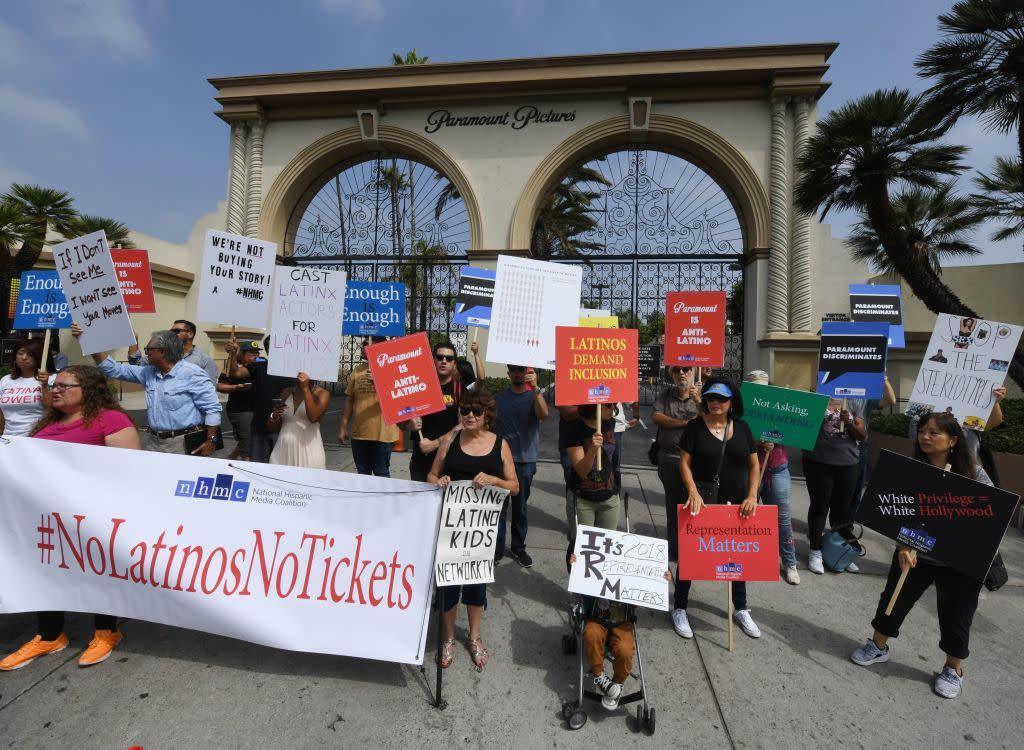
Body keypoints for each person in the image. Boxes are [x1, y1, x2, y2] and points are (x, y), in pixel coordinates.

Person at [0, 366, 139, 671]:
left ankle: (106, 631)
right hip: (46, 515)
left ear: (87, 389)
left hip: (93, 515)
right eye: (54, 385)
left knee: (98, 572)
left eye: (64, 385)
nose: (56, 390)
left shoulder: (111, 420)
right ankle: (50, 635)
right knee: (44, 574)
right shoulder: (47, 423)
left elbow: (129, 472)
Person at [850, 412, 994, 699]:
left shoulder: (975, 474)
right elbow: (895, 512)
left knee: (957, 615)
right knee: (892, 602)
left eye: (934, 433)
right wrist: (903, 546)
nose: (925, 437)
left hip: (959, 562)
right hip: (915, 555)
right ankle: (878, 646)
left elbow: (990, 515)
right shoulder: (911, 470)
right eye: (922, 432)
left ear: (953, 440)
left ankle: (954, 669)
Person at [428, 388, 519, 670]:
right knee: (449, 584)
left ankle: (475, 637)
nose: (468, 415)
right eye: (464, 410)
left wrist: (494, 479)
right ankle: (449, 637)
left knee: (476, 585)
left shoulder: (500, 444)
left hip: (482, 531)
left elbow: (514, 487)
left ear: (486, 415)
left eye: (475, 411)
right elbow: (430, 475)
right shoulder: (450, 439)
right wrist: (439, 480)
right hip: (451, 528)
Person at [675, 379, 761, 640]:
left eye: (721, 399)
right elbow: (684, 463)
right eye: (711, 397)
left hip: (736, 503)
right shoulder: (694, 427)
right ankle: (679, 606)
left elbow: (754, 465)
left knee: (736, 556)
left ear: (731, 402)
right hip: (701, 501)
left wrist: (751, 495)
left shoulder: (743, 428)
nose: (715, 403)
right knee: (691, 554)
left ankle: (741, 608)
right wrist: (692, 491)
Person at [73, 324, 221, 456]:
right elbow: (113, 369)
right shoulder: (148, 372)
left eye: (149, 349)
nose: (146, 353)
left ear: (162, 352)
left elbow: (212, 409)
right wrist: (87, 340)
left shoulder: (192, 373)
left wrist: (211, 440)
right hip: (154, 442)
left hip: (182, 444)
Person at [744, 370, 799, 585]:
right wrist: (757, 442)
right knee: (747, 515)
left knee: (783, 519)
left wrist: (777, 436)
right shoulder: (740, 410)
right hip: (750, 470)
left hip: (776, 469)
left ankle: (789, 563)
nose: (761, 390)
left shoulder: (779, 406)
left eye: (764, 386)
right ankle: (750, 559)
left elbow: (795, 432)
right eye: (756, 386)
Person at [802, 394, 866, 575]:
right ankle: (815, 551)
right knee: (819, 508)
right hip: (818, 463)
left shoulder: (853, 401)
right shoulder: (815, 399)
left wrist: (850, 423)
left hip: (848, 464)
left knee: (842, 511)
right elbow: (801, 429)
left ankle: (841, 550)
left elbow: (862, 435)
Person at [493, 364, 549, 567]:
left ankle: (518, 548)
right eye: (513, 370)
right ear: (508, 374)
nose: (518, 373)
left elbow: (544, 415)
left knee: (520, 507)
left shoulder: (534, 396)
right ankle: (497, 550)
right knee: (499, 507)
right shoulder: (499, 399)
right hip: (502, 461)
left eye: (521, 369)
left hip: (526, 460)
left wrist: (536, 389)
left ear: (527, 373)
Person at [652, 365, 701, 572]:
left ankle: (692, 547)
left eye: (687, 369)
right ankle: (674, 548)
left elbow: (709, 420)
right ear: (672, 374)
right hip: (670, 458)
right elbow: (657, 417)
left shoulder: (702, 395)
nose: (682, 373)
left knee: (694, 504)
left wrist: (699, 401)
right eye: (677, 370)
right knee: (673, 505)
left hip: (695, 461)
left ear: (692, 372)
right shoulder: (665, 394)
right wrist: (686, 422)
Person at [564, 403, 621, 553]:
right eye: (608, 406)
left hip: (610, 499)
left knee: (606, 551)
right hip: (583, 500)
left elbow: (613, 459)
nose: (613, 409)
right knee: (581, 551)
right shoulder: (573, 429)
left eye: (614, 405)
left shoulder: (610, 423)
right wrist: (593, 449)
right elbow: (582, 471)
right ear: (594, 406)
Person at [339, 336, 399, 477]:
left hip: (383, 435)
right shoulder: (358, 371)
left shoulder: (393, 369)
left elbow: (397, 397)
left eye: (368, 343)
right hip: (359, 435)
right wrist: (343, 427)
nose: (363, 346)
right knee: (362, 475)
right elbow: (349, 400)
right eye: (364, 343)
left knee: (381, 474)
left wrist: (380, 383)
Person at [225, 334, 289, 463]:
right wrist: (233, 354)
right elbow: (236, 374)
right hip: (260, 425)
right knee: (258, 464)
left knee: (282, 465)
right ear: (269, 350)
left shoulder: (294, 369)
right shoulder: (259, 366)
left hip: (287, 427)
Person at [404, 340, 462, 482]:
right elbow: (401, 421)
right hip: (420, 461)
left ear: (454, 363)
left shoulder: (460, 390)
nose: (444, 361)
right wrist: (408, 425)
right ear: (433, 359)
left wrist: (435, 444)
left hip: (447, 462)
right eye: (439, 357)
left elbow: (463, 426)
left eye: (449, 359)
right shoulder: (417, 386)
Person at [847, 374, 897, 522]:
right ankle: (823, 528)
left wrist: (884, 378)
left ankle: (846, 527)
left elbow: (891, 400)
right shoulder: (829, 392)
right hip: (831, 447)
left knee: (855, 491)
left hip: (858, 448)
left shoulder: (865, 396)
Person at [268, 372, 329, 469]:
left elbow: (313, 417)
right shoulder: (286, 392)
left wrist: (305, 388)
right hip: (282, 450)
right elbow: (271, 427)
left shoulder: (322, 394)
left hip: (309, 452)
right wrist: (274, 416)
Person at [128, 319, 219, 383]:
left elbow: (209, 390)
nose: (171, 334)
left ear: (190, 334)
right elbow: (136, 363)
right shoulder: (163, 354)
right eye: (170, 331)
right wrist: (133, 339)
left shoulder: (204, 360)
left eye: (176, 331)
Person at [0, 338, 52, 437]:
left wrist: (45, 385)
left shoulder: (51, 379)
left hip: (38, 437)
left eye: (30, 354)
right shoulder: (6, 380)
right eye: (20, 353)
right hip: (8, 437)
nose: (24, 357)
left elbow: (51, 408)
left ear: (39, 357)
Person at [217, 340, 259, 460]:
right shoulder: (231, 366)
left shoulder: (259, 366)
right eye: (252, 353)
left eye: (257, 353)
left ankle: (229, 459)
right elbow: (219, 386)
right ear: (242, 354)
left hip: (256, 409)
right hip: (241, 410)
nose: (256, 356)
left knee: (248, 440)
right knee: (247, 444)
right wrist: (236, 387)